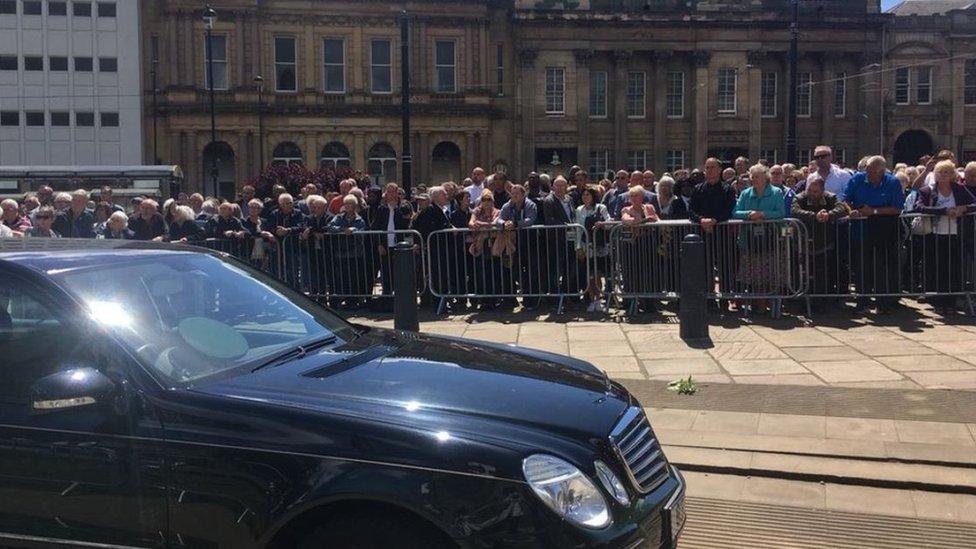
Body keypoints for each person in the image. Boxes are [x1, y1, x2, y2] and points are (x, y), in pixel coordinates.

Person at [845, 155, 905, 314]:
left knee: (882, 267)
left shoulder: (892, 182)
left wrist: (874, 211)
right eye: (866, 170)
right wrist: (852, 211)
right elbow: (845, 199)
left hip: (885, 229)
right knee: (862, 267)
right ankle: (862, 302)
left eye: (871, 172)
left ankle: (883, 302)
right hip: (861, 230)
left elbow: (898, 208)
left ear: (882, 171)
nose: (867, 174)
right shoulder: (857, 179)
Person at [914, 160, 976, 313]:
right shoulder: (927, 190)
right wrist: (943, 211)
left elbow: (974, 204)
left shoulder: (960, 189)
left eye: (946, 172)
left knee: (954, 269)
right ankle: (939, 303)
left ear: (952, 175)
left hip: (955, 235)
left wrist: (964, 208)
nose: (942, 175)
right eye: (939, 172)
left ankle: (951, 302)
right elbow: (920, 207)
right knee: (937, 268)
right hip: (934, 235)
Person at [732, 164, 787, 313]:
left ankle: (770, 304)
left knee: (770, 275)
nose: (753, 179)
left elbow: (781, 213)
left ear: (765, 177)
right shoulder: (745, 193)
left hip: (770, 241)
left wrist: (763, 214)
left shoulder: (776, 193)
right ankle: (757, 305)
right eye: (752, 176)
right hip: (749, 241)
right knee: (753, 275)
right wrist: (749, 214)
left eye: (757, 176)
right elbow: (735, 212)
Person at [792, 173, 849, 302]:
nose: (812, 193)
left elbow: (842, 209)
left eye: (816, 191)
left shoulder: (830, 197)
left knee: (822, 274)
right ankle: (801, 301)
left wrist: (828, 215)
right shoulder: (800, 197)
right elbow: (795, 211)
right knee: (802, 274)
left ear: (822, 190)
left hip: (823, 243)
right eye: (810, 190)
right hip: (802, 244)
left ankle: (820, 302)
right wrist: (814, 216)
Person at [412, 186, 455, 307]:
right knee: (434, 276)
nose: (446, 196)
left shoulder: (439, 209)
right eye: (444, 194)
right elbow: (425, 229)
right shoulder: (431, 210)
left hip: (440, 249)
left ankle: (439, 300)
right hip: (433, 249)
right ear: (436, 197)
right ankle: (435, 302)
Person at [370, 183, 414, 302]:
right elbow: (375, 228)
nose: (392, 194)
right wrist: (379, 244)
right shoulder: (381, 209)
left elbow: (406, 224)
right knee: (385, 272)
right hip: (385, 245)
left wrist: (396, 209)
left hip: (399, 245)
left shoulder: (403, 206)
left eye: (394, 191)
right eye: (389, 192)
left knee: (399, 272)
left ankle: (400, 297)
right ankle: (387, 296)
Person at [541, 176, 581, 304]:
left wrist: (573, 225)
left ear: (567, 187)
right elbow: (549, 219)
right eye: (557, 186)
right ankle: (555, 298)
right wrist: (566, 225)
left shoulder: (569, 199)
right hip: (556, 240)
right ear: (553, 187)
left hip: (570, 240)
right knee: (556, 270)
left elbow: (572, 215)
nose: (560, 188)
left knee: (570, 269)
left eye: (563, 186)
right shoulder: (549, 200)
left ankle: (569, 296)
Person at [575, 186, 611, 312]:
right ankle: (592, 300)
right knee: (589, 276)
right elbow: (578, 230)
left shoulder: (601, 208)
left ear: (593, 196)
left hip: (600, 247)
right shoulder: (579, 209)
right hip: (587, 247)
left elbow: (609, 222)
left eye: (588, 194)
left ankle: (598, 300)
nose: (585, 197)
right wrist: (578, 247)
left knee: (598, 275)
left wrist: (602, 224)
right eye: (583, 194)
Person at [327, 195, 369, 304]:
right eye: (346, 204)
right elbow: (330, 227)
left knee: (354, 278)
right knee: (341, 278)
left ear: (355, 206)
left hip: (355, 254)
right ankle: (341, 299)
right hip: (340, 253)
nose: (348, 206)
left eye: (350, 204)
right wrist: (343, 229)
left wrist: (354, 230)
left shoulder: (359, 219)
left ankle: (353, 301)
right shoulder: (339, 217)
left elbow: (362, 233)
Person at [269, 193, 306, 289]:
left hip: (292, 247)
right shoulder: (274, 214)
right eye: (285, 203)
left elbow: (301, 226)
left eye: (290, 203)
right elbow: (270, 227)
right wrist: (276, 231)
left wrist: (288, 230)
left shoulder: (297, 213)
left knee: (292, 273)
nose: (289, 205)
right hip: (278, 247)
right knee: (278, 272)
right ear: (280, 204)